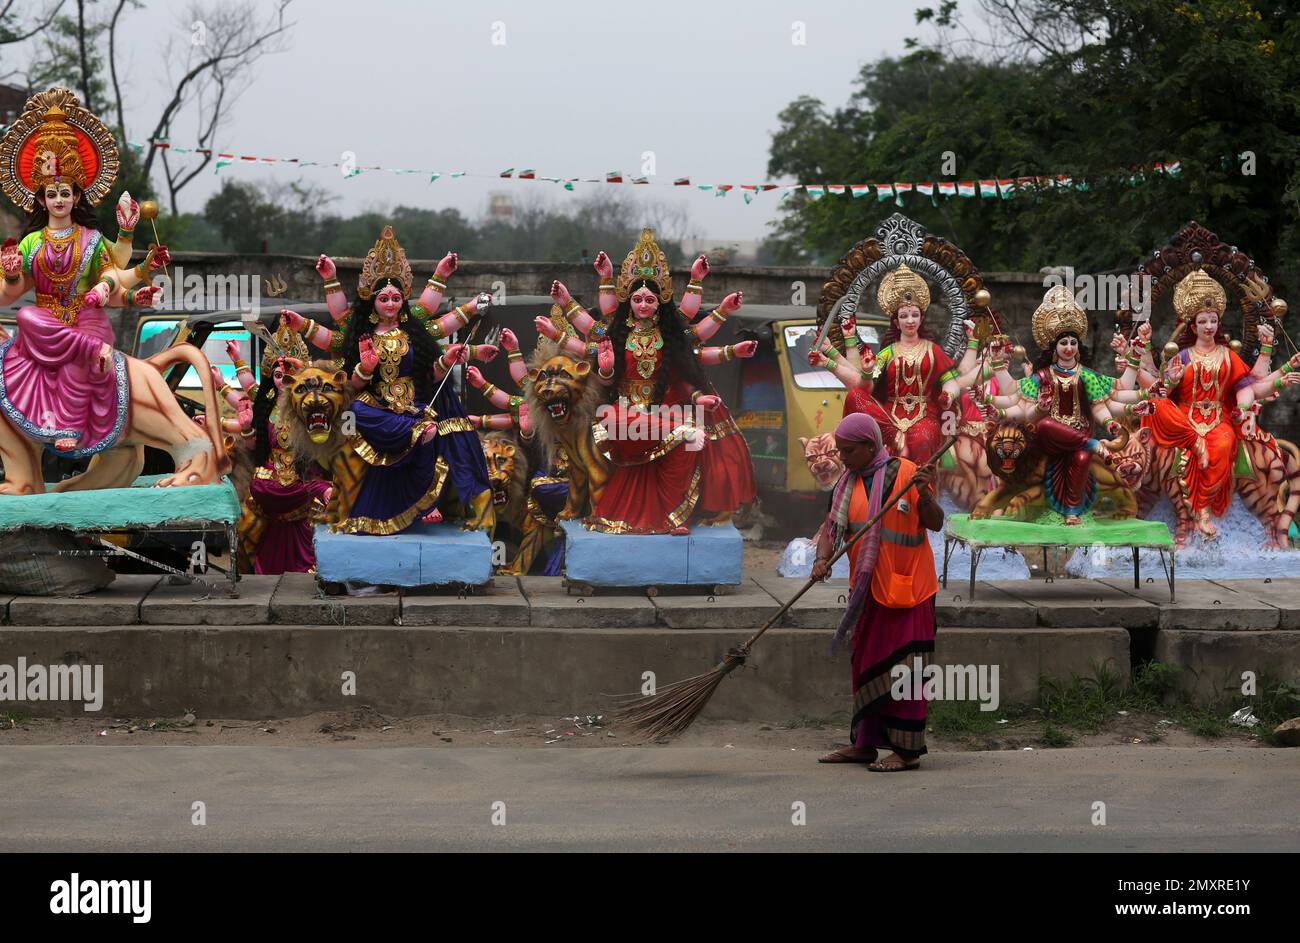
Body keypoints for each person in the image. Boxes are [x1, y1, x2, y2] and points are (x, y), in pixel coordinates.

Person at [810, 413, 943, 772]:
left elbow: (935, 521)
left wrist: (922, 492)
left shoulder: (907, 473)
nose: (842, 458)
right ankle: (865, 744)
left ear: (871, 446)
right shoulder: (845, 485)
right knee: (866, 667)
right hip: (867, 592)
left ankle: (907, 750)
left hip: (910, 589)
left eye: (848, 451)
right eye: (840, 451)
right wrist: (822, 560)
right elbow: (831, 529)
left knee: (907, 672)